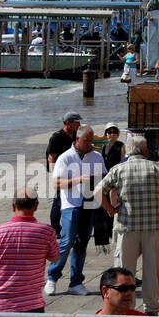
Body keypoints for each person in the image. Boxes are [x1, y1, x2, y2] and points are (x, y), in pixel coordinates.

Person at [95, 134, 159, 316]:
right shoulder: (157, 168)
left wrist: (110, 209)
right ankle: (151, 308)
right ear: (144, 150)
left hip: (126, 227)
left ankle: (126, 308)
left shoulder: (118, 169)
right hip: (152, 227)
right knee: (152, 269)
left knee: (125, 270)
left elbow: (97, 192)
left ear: (127, 151)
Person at [46, 125, 105, 297]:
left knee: (82, 244)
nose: (90, 144)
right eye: (87, 141)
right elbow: (56, 184)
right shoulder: (65, 158)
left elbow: (105, 179)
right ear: (77, 140)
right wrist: (78, 180)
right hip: (70, 204)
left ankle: (76, 281)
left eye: (92, 140)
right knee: (67, 241)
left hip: (89, 205)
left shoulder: (97, 156)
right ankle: (52, 277)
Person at [0, 189, 59, 317]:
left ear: (13, 206)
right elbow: (54, 257)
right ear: (36, 206)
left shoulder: (0, 232)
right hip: (31, 304)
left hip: (0, 304)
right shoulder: (45, 231)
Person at [45, 112, 80, 237]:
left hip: (73, 172)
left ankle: (71, 225)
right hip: (60, 172)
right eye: (76, 122)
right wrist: (55, 175)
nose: (79, 124)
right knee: (59, 199)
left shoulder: (75, 134)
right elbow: (51, 156)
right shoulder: (57, 137)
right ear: (68, 123)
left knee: (73, 197)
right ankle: (55, 227)